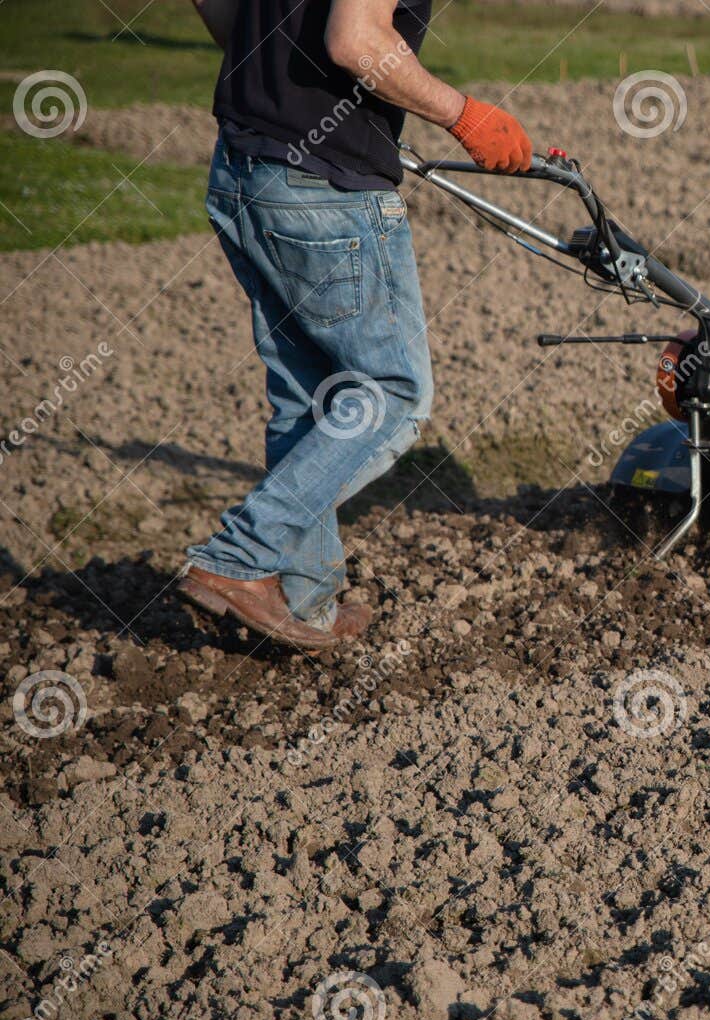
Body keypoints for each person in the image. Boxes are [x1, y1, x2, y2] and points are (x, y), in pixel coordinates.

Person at [180, 0, 535, 648]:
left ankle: (303, 596)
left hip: (241, 168)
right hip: (323, 189)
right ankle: (242, 553)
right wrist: (464, 115)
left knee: (309, 396)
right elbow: (353, 39)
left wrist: (276, 76)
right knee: (394, 396)